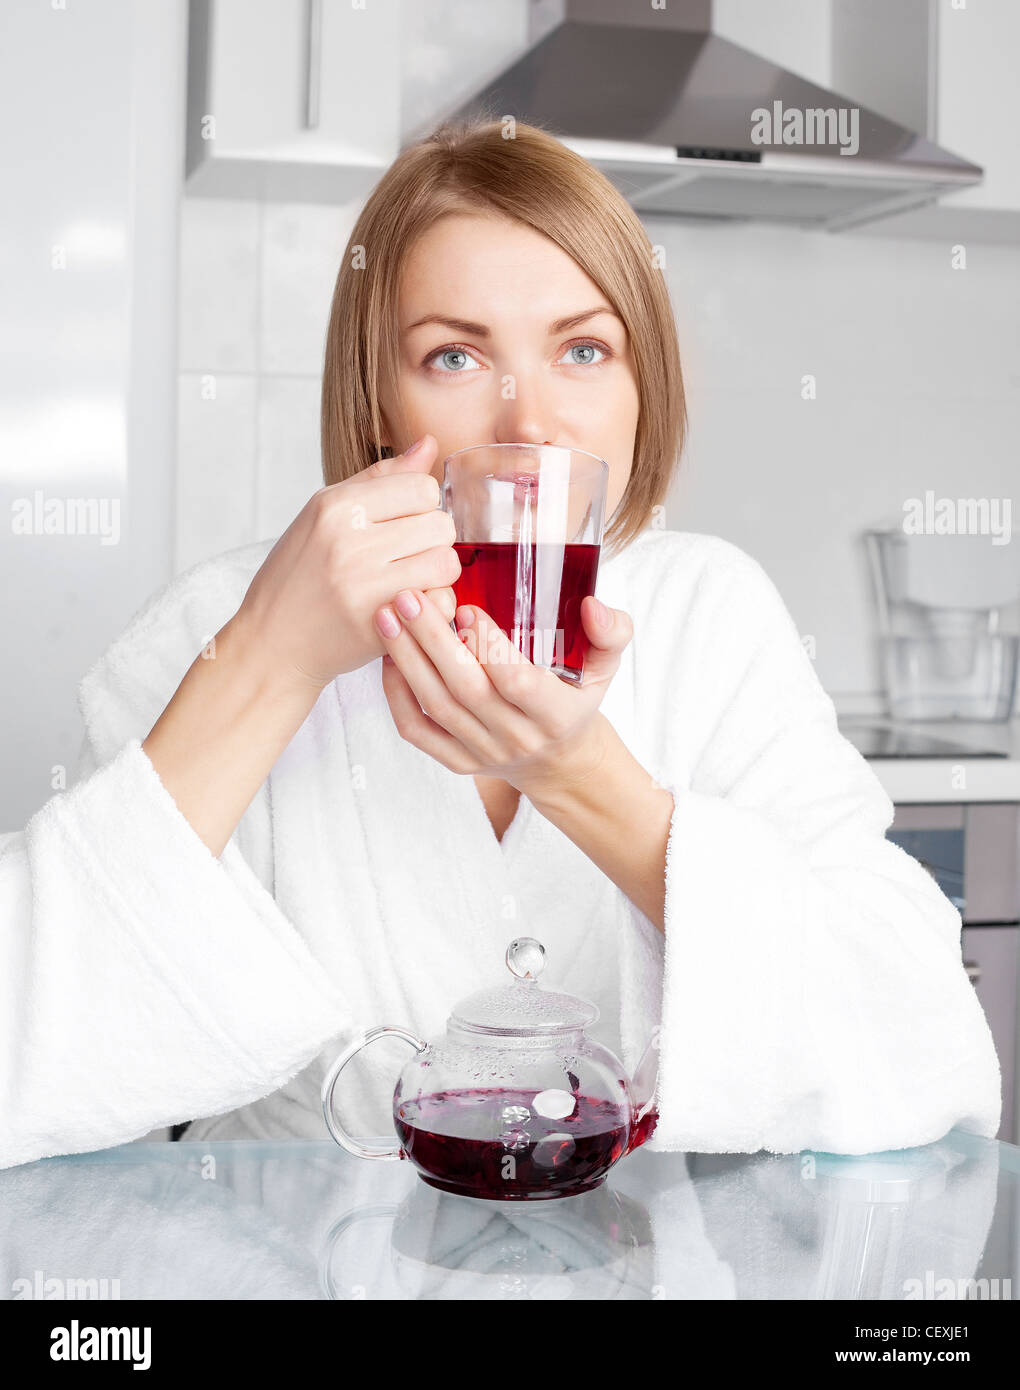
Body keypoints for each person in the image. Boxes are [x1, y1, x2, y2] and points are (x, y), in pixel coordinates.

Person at [0, 120, 1000, 1169]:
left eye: (583, 349)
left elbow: (927, 1044)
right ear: (381, 404)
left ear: (639, 386)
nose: (531, 421)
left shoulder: (712, 616)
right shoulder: (221, 624)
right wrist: (270, 658)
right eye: (455, 355)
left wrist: (584, 778)